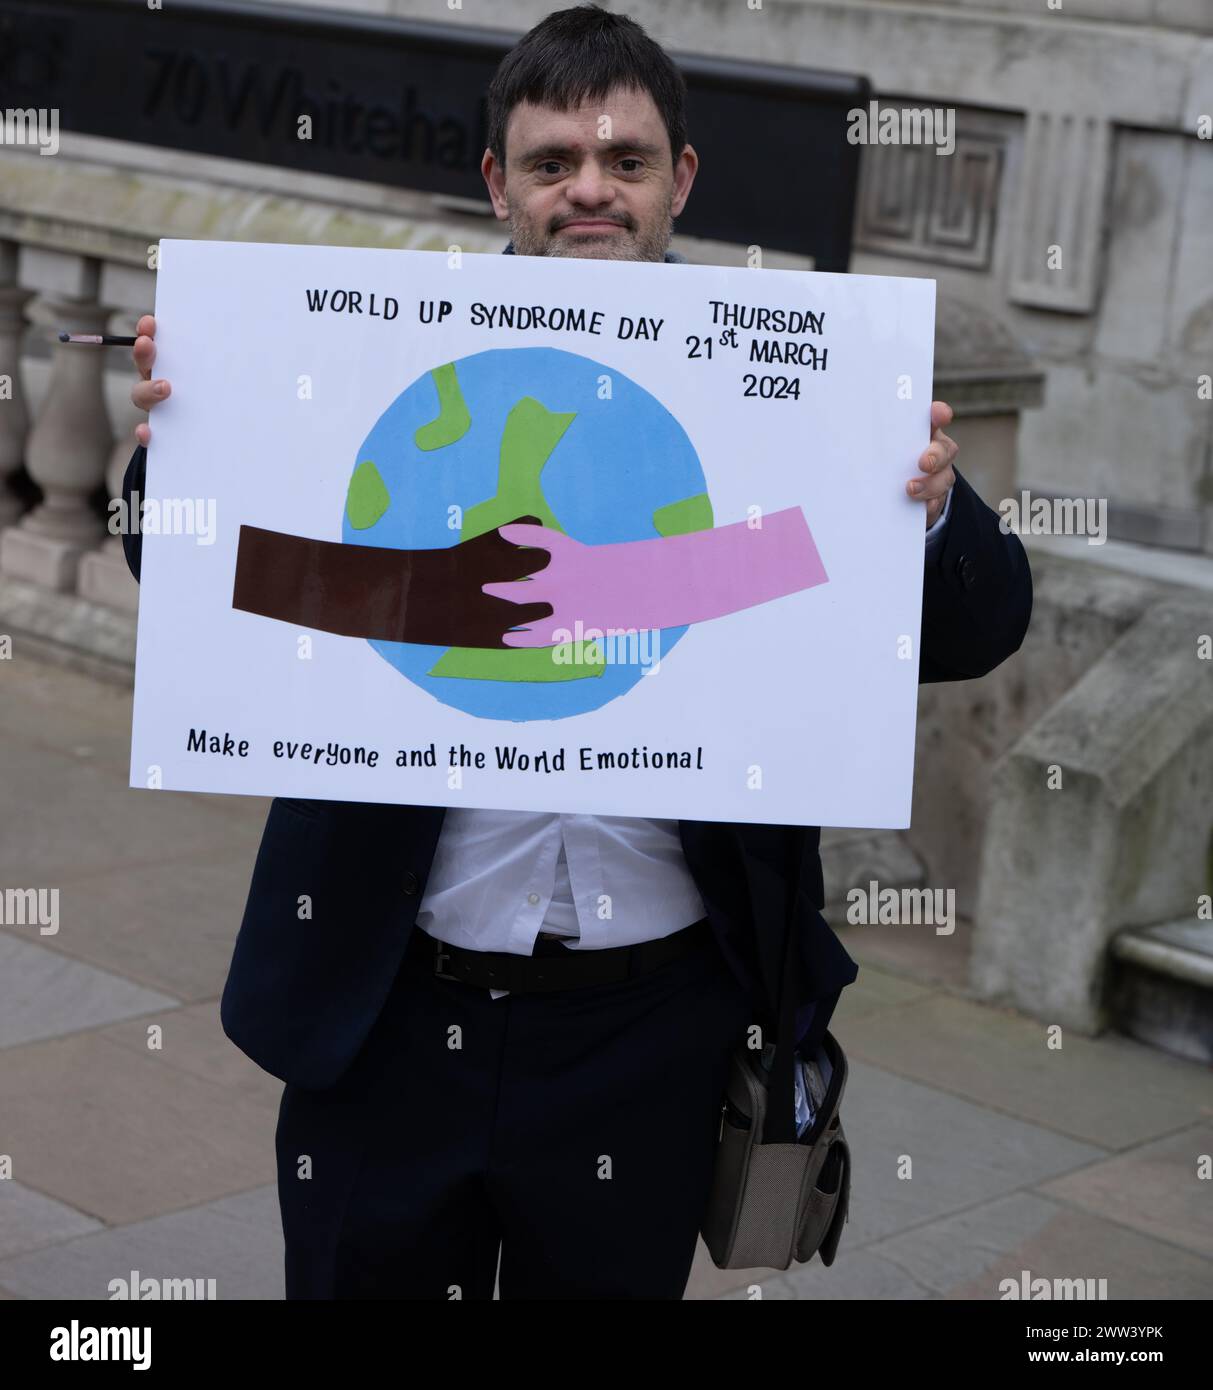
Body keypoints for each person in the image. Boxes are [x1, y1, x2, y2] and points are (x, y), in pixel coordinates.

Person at [120, 4, 1031, 1300]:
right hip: (387, 1018)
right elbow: (196, 576)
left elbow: (981, 626)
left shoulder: (795, 399)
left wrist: (932, 506)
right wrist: (180, 447)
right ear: (497, 181)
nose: (588, 190)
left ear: (681, 182)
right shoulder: (368, 357)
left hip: (648, 1036)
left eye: (625, 160)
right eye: (552, 161)